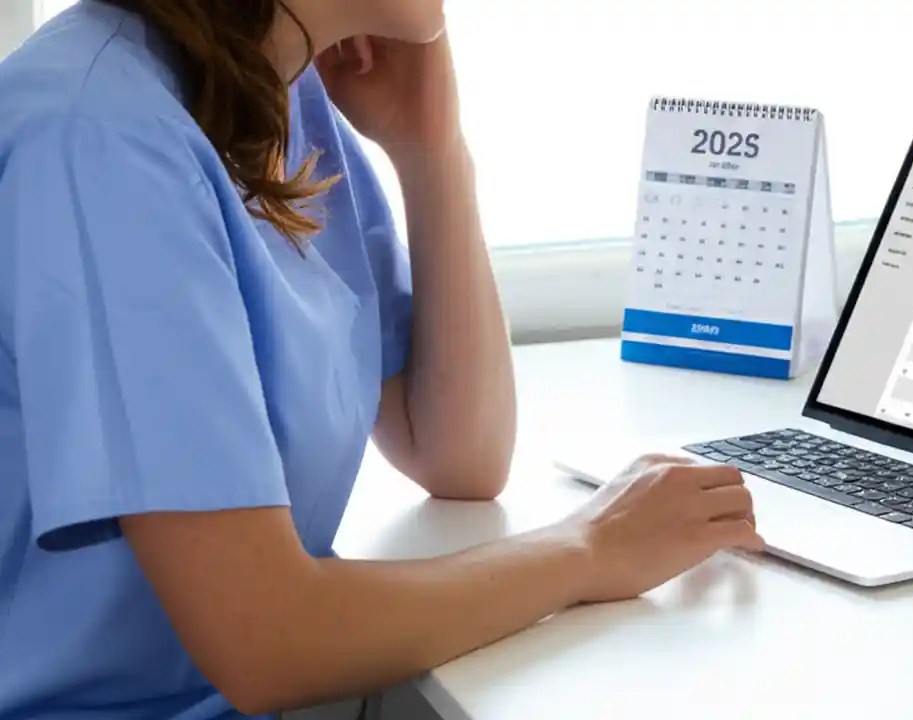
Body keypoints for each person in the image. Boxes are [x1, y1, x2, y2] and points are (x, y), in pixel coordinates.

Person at [0, 1, 764, 717]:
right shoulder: (100, 137)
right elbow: (268, 637)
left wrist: (432, 153)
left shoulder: (275, 94)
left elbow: (457, 452)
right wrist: (588, 549)